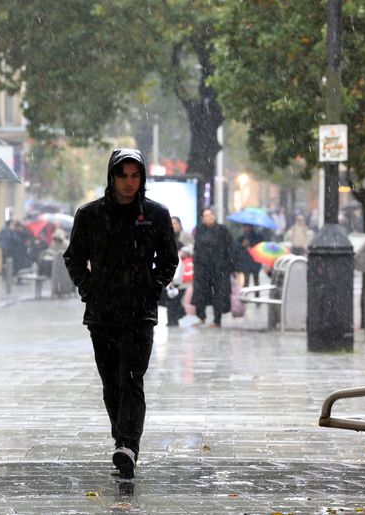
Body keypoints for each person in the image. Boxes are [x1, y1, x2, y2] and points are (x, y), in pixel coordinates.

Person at [64, 148, 178, 480]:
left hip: (139, 313)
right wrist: (89, 288)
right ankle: (121, 439)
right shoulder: (90, 215)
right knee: (111, 382)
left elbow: (169, 259)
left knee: (131, 379)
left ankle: (128, 445)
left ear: (142, 178)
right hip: (102, 313)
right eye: (123, 175)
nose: (129, 182)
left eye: (135, 176)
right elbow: (73, 257)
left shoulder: (155, 215)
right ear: (112, 177)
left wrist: (152, 287)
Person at [191, 208, 236, 328]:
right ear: (202, 219)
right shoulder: (199, 230)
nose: (210, 217)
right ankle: (201, 317)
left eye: (211, 214)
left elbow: (230, 248)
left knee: (219, 294)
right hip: (202, 268)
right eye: (206, 215)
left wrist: (231, 266)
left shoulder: (223, 230)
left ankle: (217, 320)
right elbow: (197, 249)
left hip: (219, 268)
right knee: (201, 293)